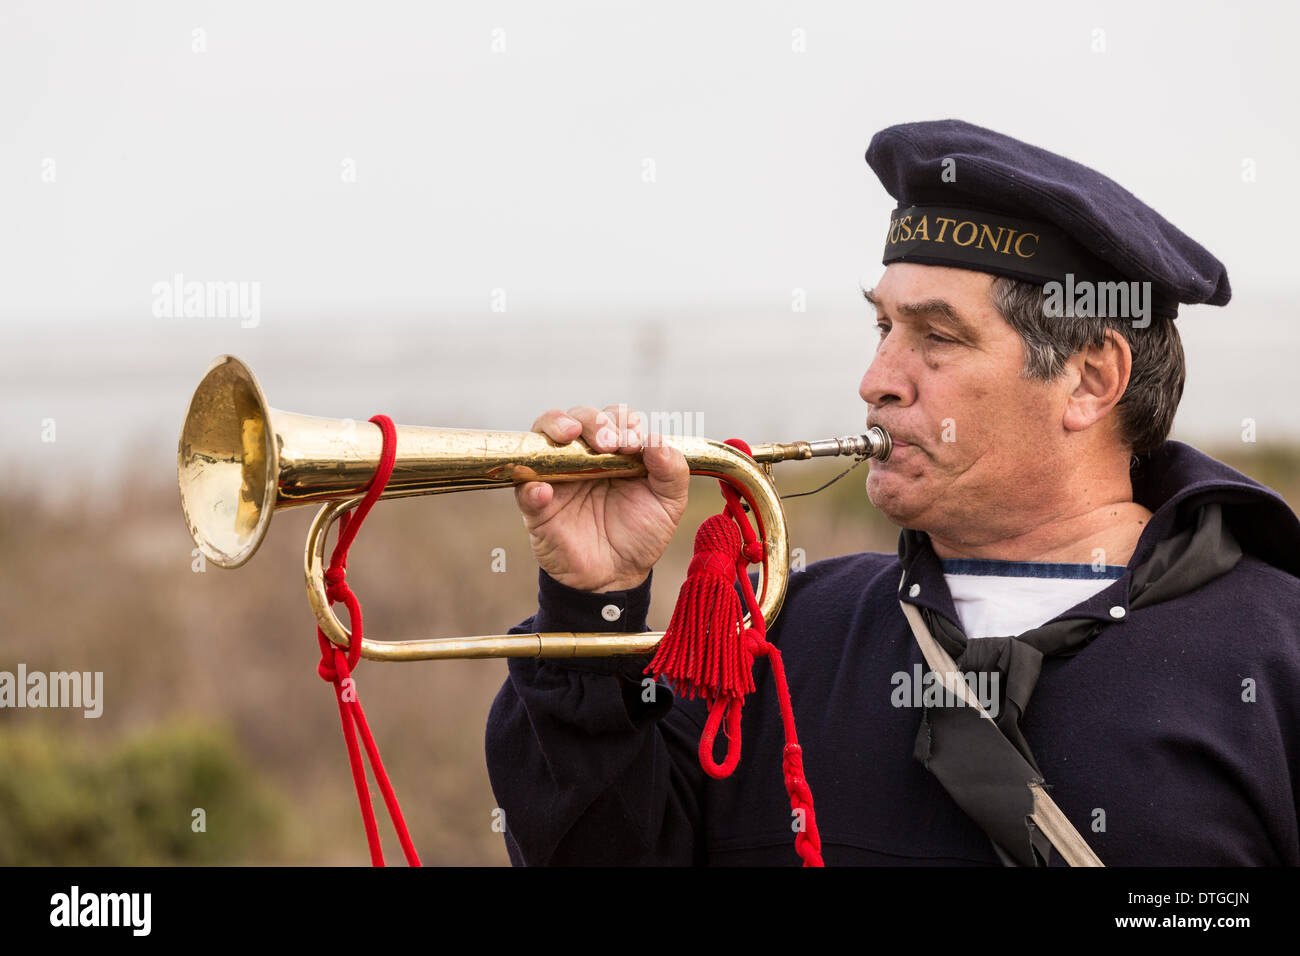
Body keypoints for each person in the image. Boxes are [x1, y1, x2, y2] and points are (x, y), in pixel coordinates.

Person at [484, 119, 1300, 866]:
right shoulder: (774, 633)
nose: (875, 382)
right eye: (883, 329)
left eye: (937, 339)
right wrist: (591, 610)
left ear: (1090, 380)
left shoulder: (1278, 653)